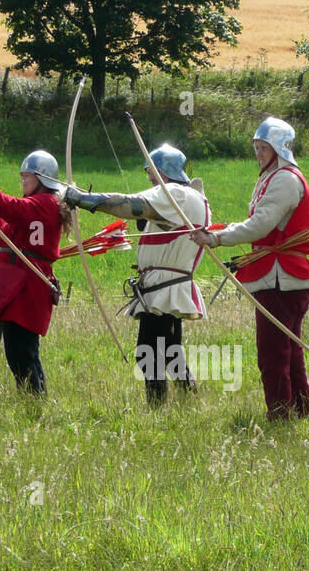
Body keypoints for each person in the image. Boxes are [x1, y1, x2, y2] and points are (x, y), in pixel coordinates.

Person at [190, 117, 309, 420]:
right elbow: (255, 223)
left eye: (264, 148)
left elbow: (260, 225)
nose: (259, 154)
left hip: (282, 278)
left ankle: (280, 415)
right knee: (289, 350)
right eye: (257, 148)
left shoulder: (286, 178)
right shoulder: (272, 177)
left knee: (274, 354)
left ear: (280, 149)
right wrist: (217, 232)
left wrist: (218, 238)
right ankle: (299, 411)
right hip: (280, 277)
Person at [63, 143, 207, 405]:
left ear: (164, 170)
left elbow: (131, 205)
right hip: (165, 285)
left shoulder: (176, 193)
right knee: (170, 350)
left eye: (152, 171)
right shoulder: (186, 196)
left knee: (148, 353)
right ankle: (189, 397)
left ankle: (157, 408)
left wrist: (84, 200)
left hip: (166, 287)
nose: (150, 177)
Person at [0, 150, 66, 395]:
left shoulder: (46, 203)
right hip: (18, 282)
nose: (23, 180)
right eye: (22, 175)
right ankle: (34, 397)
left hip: (29, 284)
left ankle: (34, 398)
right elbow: (4, 235)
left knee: (23, 349)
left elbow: (14, 207)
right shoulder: (32, 207)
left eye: (29, 175)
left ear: (43, 178)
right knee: (18, 348)